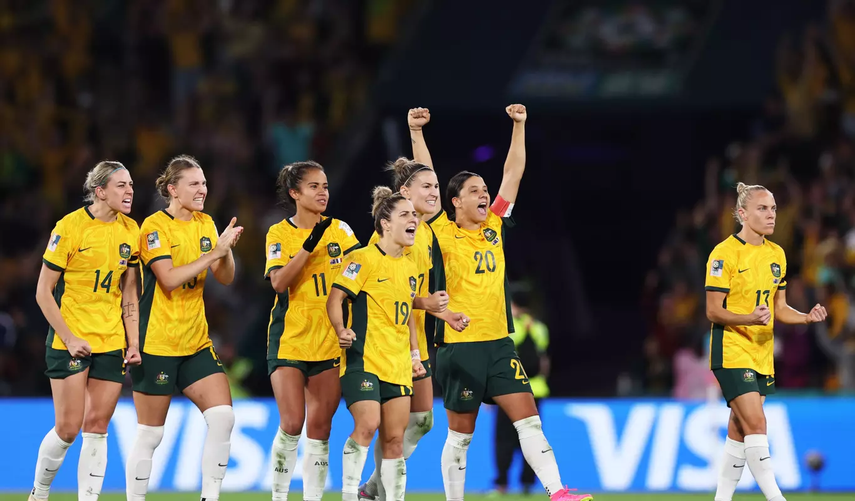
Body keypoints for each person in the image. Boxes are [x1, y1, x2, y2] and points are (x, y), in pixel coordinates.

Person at [422, 104, 592, 501]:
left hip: (499, 343)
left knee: (529, 420)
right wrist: (417, 135)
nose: (485, 195)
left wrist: (520, 125)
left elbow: (513, 172)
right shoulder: (440, 234)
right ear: (454, 203)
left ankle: (556, 491)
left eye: (485, 190)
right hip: (458, 347)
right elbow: (424, 183)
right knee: (460, 437)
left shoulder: (494, 225)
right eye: (475, 192)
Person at [125, 155, 243, 501]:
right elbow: (169, 279)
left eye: (204, 183)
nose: (202, 189)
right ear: (172, 189)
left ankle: (210, 497)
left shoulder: (205, 223)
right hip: (157, 342)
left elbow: (226, 277)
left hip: (195, 343)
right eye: (194, 183)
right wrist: (213, 253)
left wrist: (225, 250)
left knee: (223, 418)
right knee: (150, 436)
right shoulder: (154, 227)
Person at [705, 182, 827, 501]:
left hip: (762, 353)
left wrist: (806, 317)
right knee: (757, 422)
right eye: (763, 208)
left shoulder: (777, 255)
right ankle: (777, 498)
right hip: (731, 349)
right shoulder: (723, 254)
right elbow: (713, 311)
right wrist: (749, 319)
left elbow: (779, 309)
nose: (771, 214)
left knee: (739, 427)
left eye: (773, 208)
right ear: (743, 214)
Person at [359, 157, 470, 501]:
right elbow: (395, 293)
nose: (435, 192)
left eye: (437, 186)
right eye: (427, 186)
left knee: (421, 420)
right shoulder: (393, 234)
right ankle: (372, 490)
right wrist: (423, 307)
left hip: (414, 336)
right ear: (405, 192)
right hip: (386, 341)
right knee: (392, 427)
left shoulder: (425, 233)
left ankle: (373, 488)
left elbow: (414, 293)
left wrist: (445, 314)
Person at [30, 161, 141, 501]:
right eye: (121, 185)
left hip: (111, 340)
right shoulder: (70, 227)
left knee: (97, 428)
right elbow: (43, 292)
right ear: (100, 191)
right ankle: (40, 492)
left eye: (131, 185)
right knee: (67, 429)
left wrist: (133, 340)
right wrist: (69, 338)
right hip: (71, 339)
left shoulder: (131, 230)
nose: (129, 191)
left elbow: (130, 291)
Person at [264, 160, 361, 501]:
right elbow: (278, 283)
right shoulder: (279, 234)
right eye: (314, 187)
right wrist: (309, 245)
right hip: (290, 339)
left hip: (331, 341)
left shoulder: (342, 231)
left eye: (326, 186)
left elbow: (362, 274)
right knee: (292, 423)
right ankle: (278, 495)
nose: (323, 193)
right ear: (295, 193)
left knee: (320, 430)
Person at [326, 187, 427, 501]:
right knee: (368, 424)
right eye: (405, 215)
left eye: (415, 215)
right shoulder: (363, 258)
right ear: (385, 223)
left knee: (395, 440)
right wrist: (341, 328)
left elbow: (407, 312)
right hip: (363, 360)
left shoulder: (410, 267)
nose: (414, 219)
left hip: (398, 365)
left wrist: (413, 355)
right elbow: (335, 298)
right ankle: (347, 495)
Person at [493, 295, 551, 496]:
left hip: (509, 391)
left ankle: (502, 484)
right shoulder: (540, 328)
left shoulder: (510, 328)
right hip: (536, 390)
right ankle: (527, 483)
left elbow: (503, 355)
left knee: (504, 439)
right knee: (531, 437)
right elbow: (544, 360)